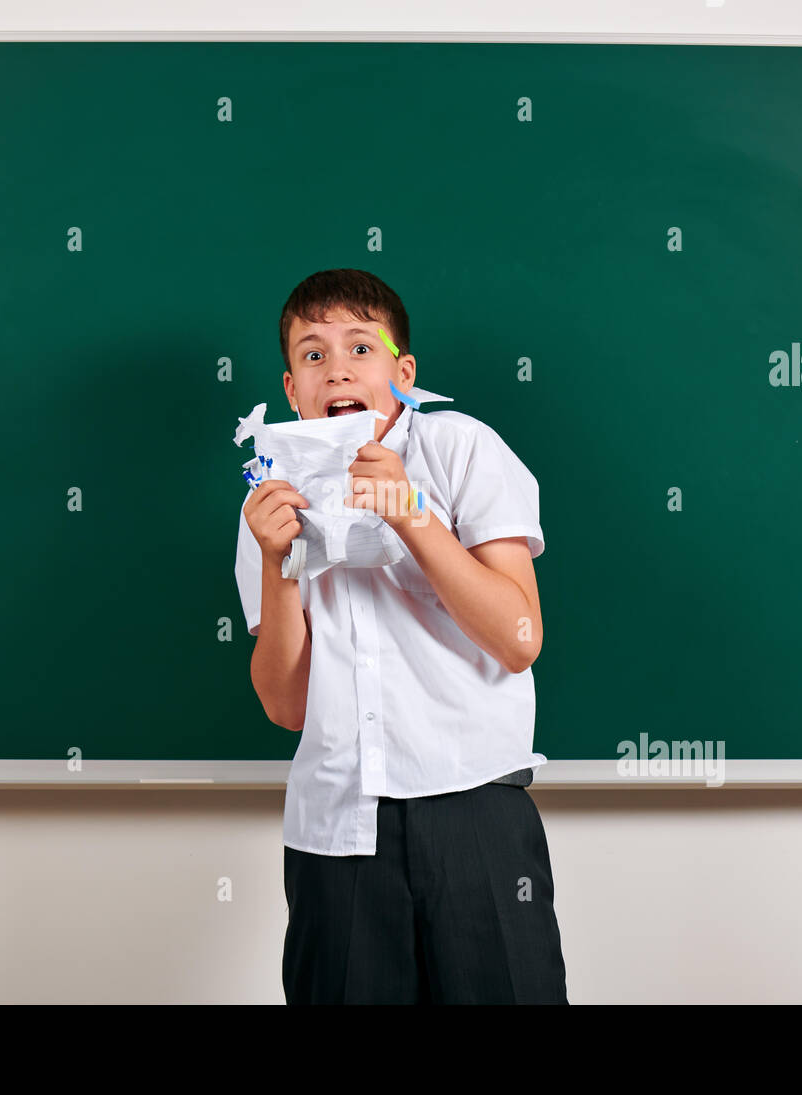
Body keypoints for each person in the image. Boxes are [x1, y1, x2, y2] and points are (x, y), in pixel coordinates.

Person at [234, 268, 568, 1004]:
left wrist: (413, 514)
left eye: (362, 346)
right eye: (313, 354)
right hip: (336, 828)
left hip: (474, 809)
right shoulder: (268, 499)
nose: (339, 366)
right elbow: (286, 704)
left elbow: (518, 638)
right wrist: (275, 559)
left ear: (404, 373)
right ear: (292, 390)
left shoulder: (462, 449)